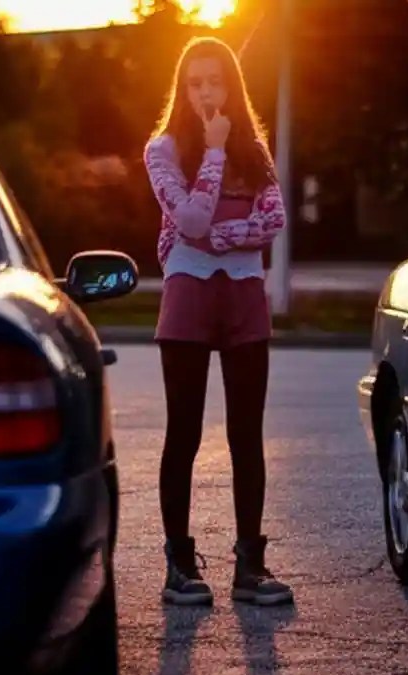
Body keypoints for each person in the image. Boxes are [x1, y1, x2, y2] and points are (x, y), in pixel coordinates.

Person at [143, 35, 292, 607]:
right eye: (195, 83)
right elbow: (189, 216)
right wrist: (211, 151)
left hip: (245, 299)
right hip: (188, 296)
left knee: (246, 434)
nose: (206, 92)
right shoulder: (162, 150)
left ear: (233, 86)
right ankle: (180, 564)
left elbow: (271, 220)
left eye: (216, 81)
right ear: (182, 91)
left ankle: (250, 565)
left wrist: (218, 239)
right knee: (183, 432)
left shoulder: (255, 151)